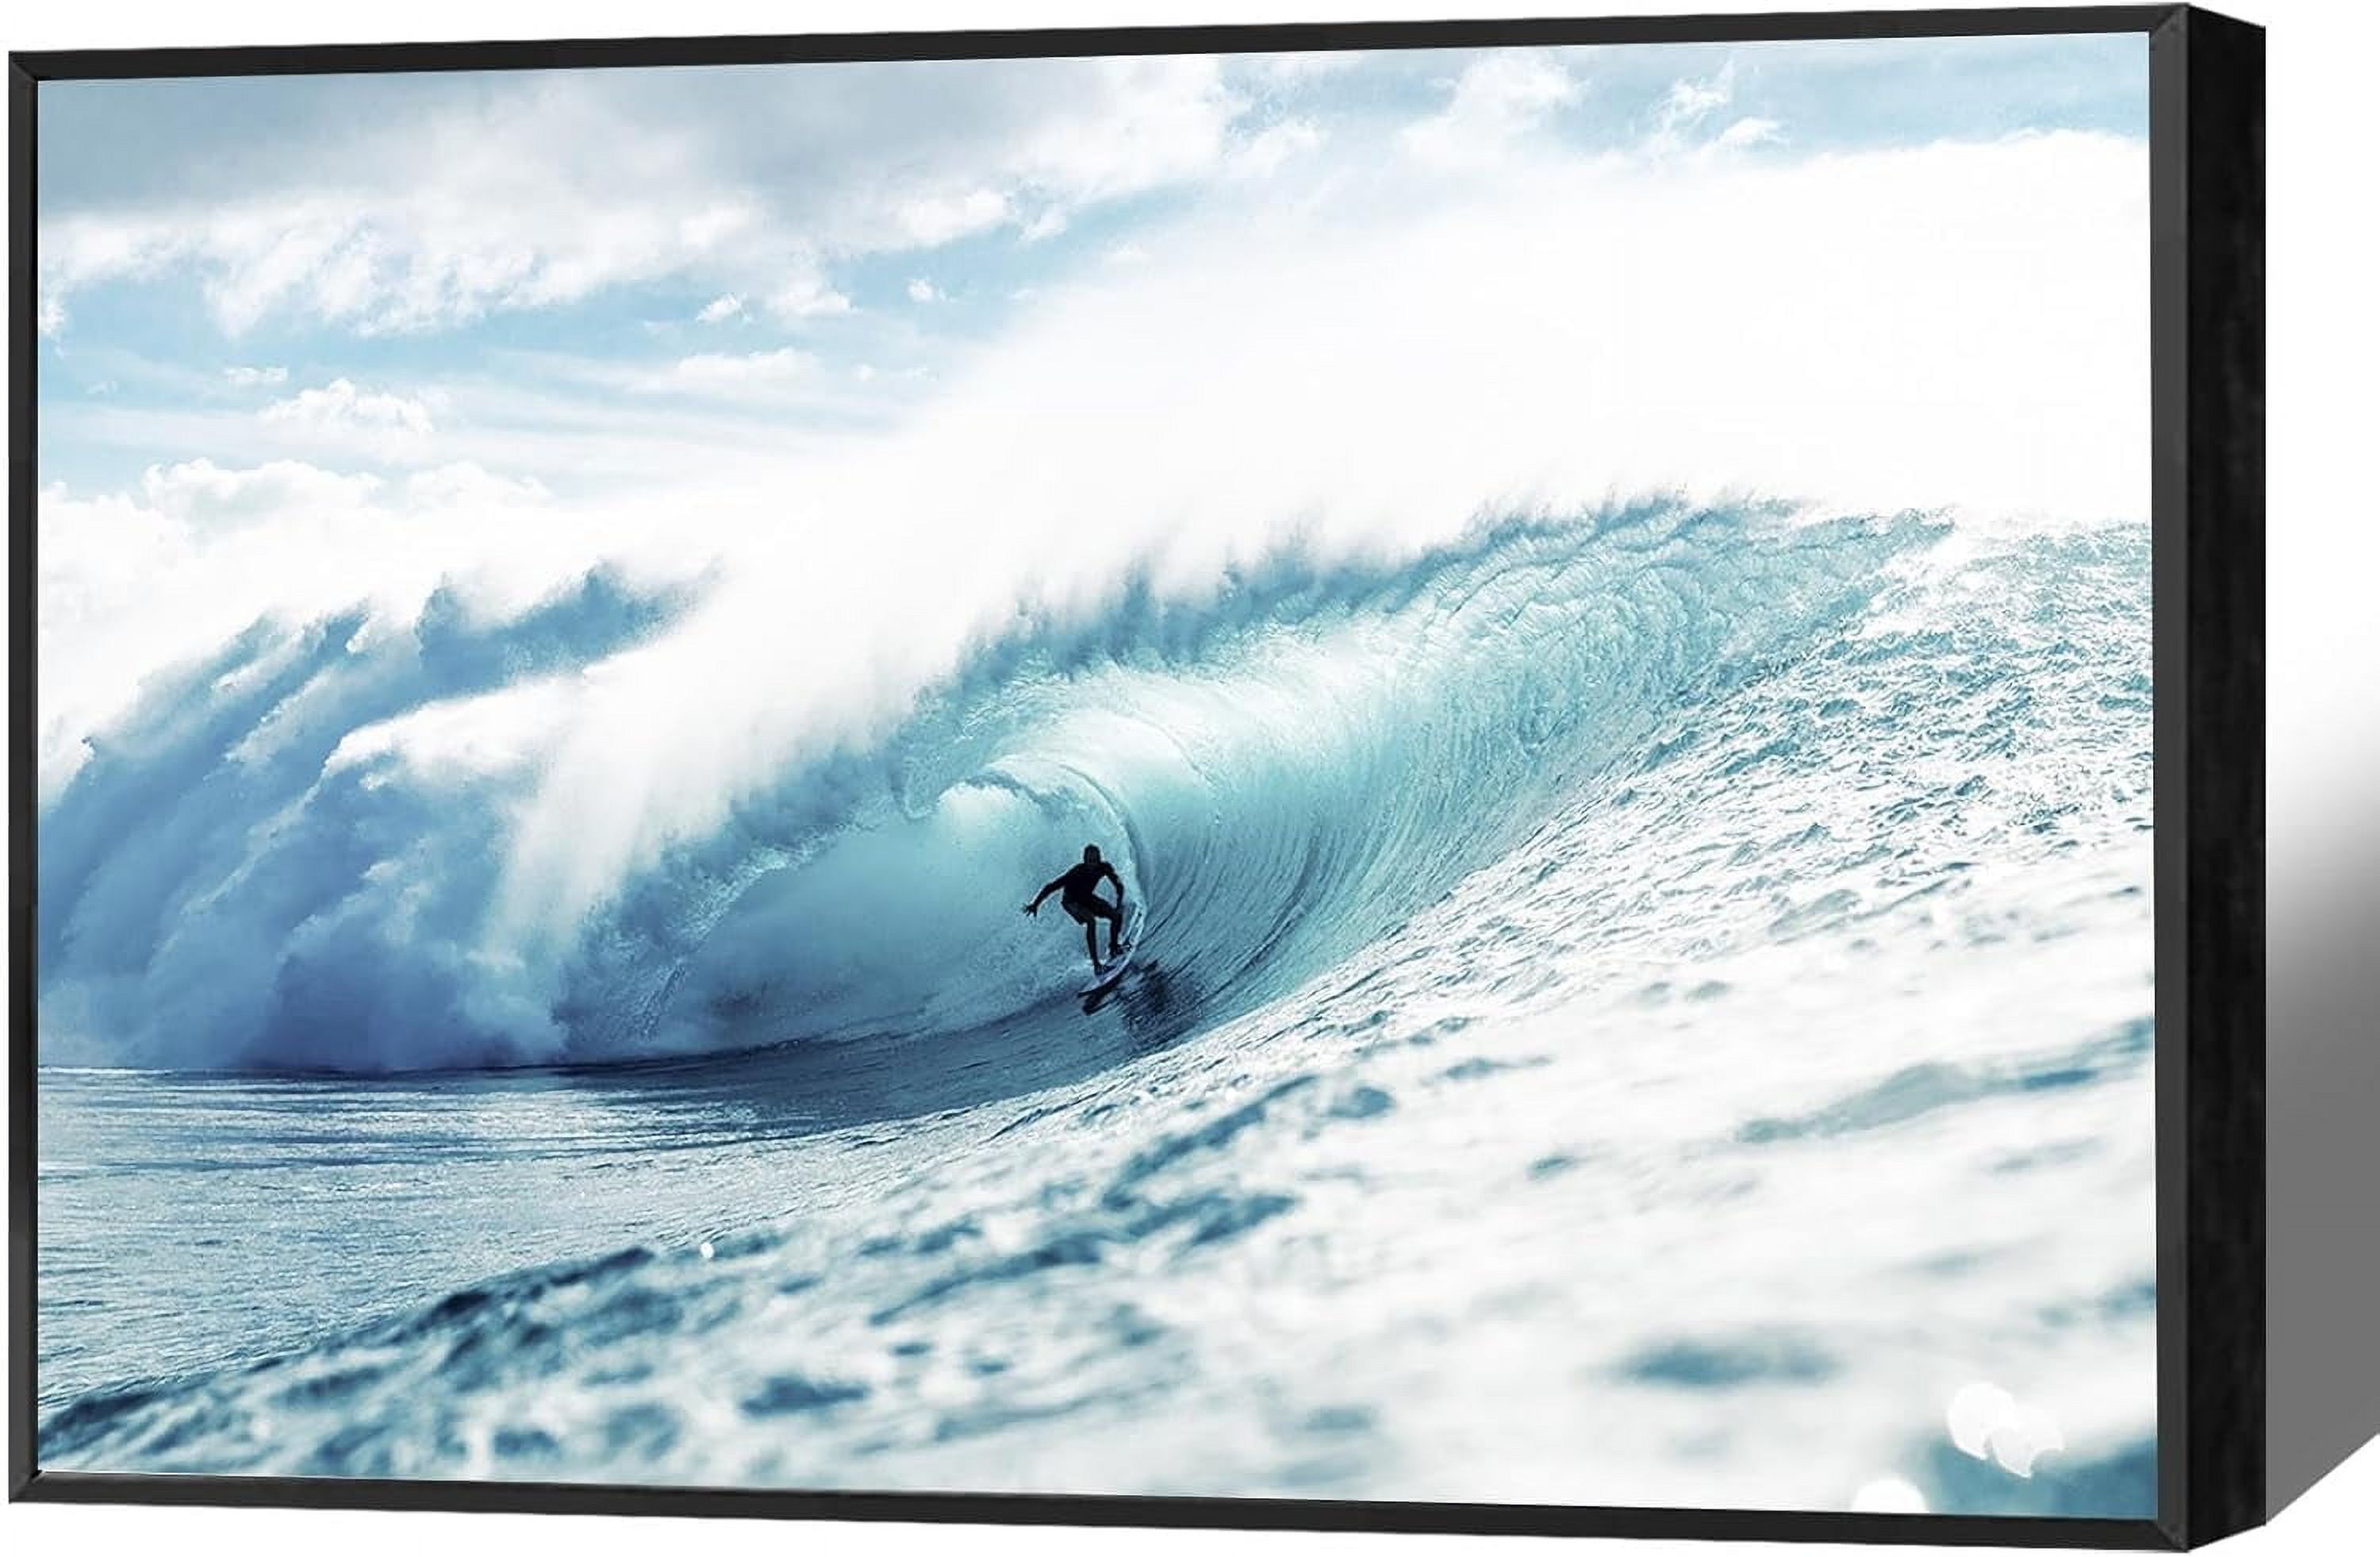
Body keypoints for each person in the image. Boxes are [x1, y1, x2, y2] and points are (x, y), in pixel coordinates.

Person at [1024, 844, 1128, 972]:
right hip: (1071, 902)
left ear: (1099, 859)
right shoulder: (1077, 872)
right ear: (1085, 861)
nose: (1093, 864)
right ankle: (1097, 965)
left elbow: (1119, 886)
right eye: (1090, 861)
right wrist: (1035, 904)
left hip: (1087, 898)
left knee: (1116, 915)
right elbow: (1051, 887)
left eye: (1095, 860)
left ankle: (1114, 948)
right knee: (1091, 921)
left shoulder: (1104, 868)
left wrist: (1119, 904)